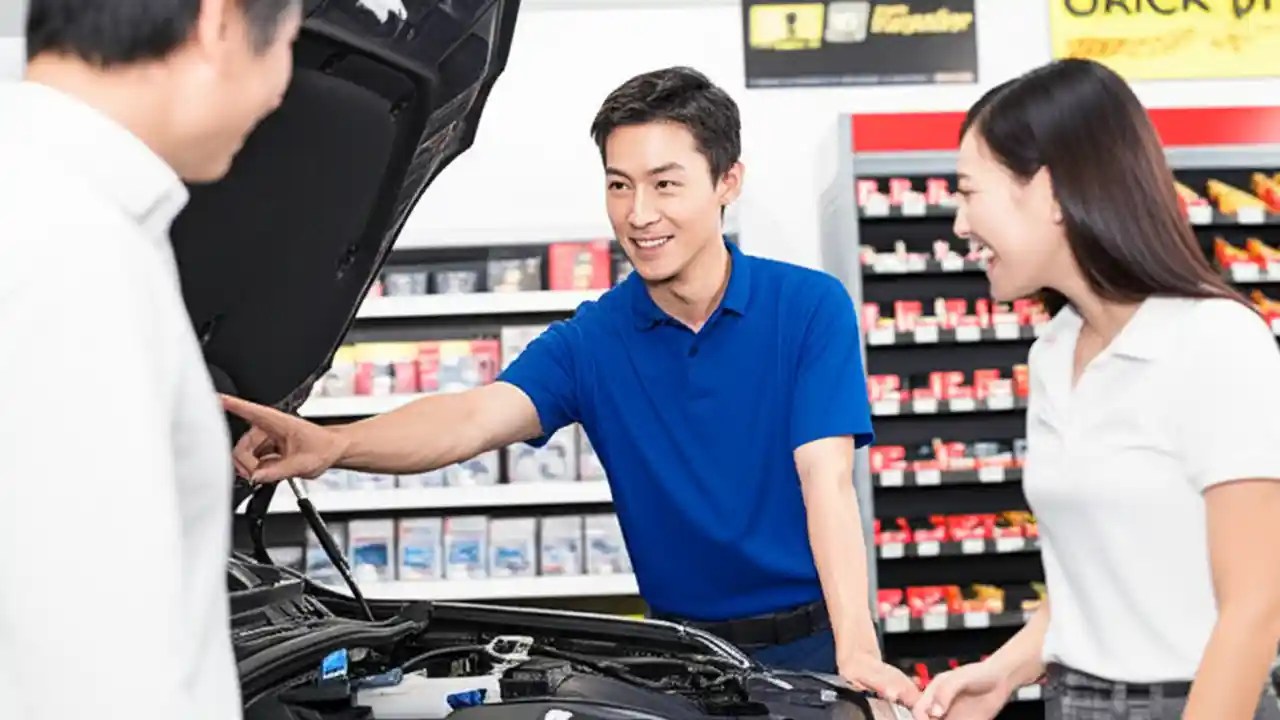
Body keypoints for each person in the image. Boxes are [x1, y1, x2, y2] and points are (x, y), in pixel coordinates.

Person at [222, 66, 922, 705]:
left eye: (665, 183)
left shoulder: (809, 308)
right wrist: (331, 443)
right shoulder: (594, 340)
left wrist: (855, 644)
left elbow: (825, 478)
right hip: (681, 657)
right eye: (619, 184)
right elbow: (471, 418)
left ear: (727, 182)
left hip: (818, 644)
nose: (638, 214)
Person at [909, 58, 1280, 720]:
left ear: (1048, 191)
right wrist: (1002, 672)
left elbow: (1256, 609)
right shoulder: (1052, 353)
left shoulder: (1216, 341)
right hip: (1072, 700)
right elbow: (1097, 581)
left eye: (968, 192)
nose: (959, 223)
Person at [0, 1, 300, 719]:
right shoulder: (69, 248)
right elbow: (91, 667)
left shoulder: (52, 206)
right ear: (219, 23)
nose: (284, 87)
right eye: (290, 42)